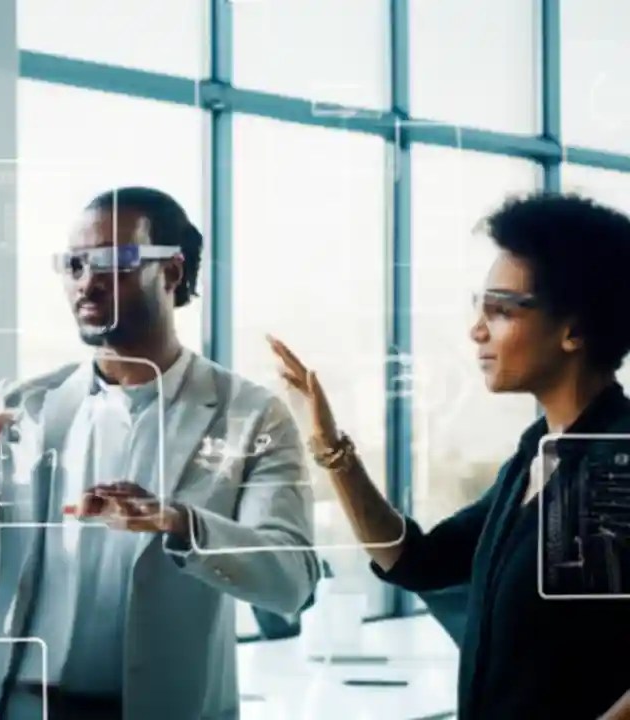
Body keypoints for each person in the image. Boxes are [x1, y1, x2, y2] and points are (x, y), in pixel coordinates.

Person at [0, 187, 320, 720]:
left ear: (172, 272)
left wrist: (181, 523)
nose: (86, 281)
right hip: (20, 709)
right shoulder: (26, 408)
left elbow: (292, 582)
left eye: (115, 261)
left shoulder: (251, 415)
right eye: (74, 263)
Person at [269, 192, 630, 720]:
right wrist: (331, 448)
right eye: (478, 307)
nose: (476, 330)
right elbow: (418, 560)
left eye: (502, 310)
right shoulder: (539, 453)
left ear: (574, 329)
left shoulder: (615, 462)